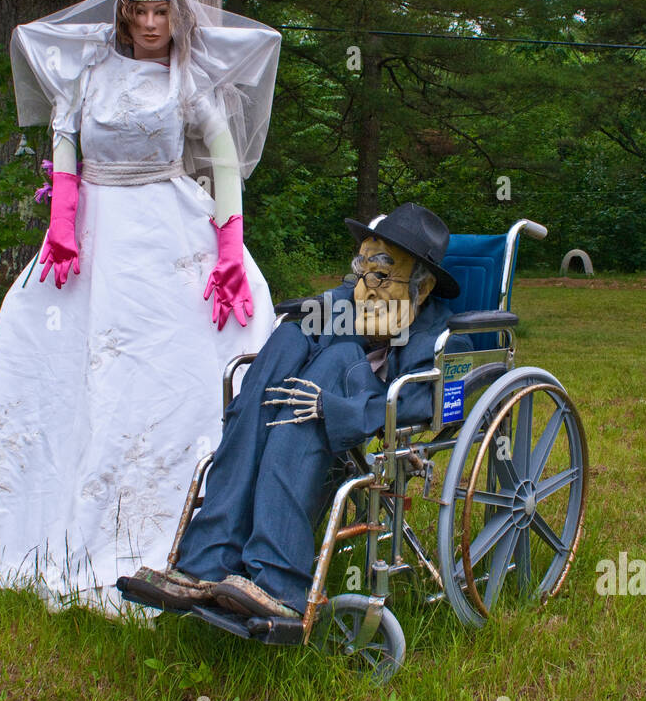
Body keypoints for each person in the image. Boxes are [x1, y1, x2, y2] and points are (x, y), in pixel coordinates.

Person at [0, 0, 281, 614]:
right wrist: (60, 225)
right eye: (137, 13)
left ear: (176, 17)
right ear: (122, 15)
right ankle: (34, 515)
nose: (147, 25)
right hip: (91, 237)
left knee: (169, 371)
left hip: (169, 229)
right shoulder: (85, 78)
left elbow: (223, 159)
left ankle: (190, 525)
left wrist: (227, 250)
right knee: (61, 363)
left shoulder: (190, 80)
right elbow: (66, 151)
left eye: (160, 14)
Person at [119, 203, 471, 619]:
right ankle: (207, 560)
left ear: (423, 287)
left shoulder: (444, 339)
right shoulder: (352, 303)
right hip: (307, 394)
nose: (365, 288)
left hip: (351, 404)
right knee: (288, 337)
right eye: (360, 270)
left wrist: (335, 408)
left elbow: (422, 403)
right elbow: (314, 316)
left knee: (336, 359)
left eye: (381, 275)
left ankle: (278, 578)